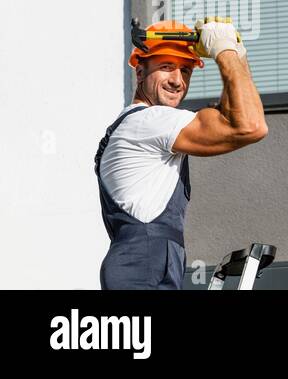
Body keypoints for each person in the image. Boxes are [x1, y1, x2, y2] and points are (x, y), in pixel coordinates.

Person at [96, 18, 266, 289]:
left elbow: (243, 118)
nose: (177, 80)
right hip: (141, 264)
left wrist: (237, 54)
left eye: (185, 70)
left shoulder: (144, 127)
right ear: (139, 72)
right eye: (166, 67)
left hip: (148, 263)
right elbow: (250, 126)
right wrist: (225, 52)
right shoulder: (149, 122)